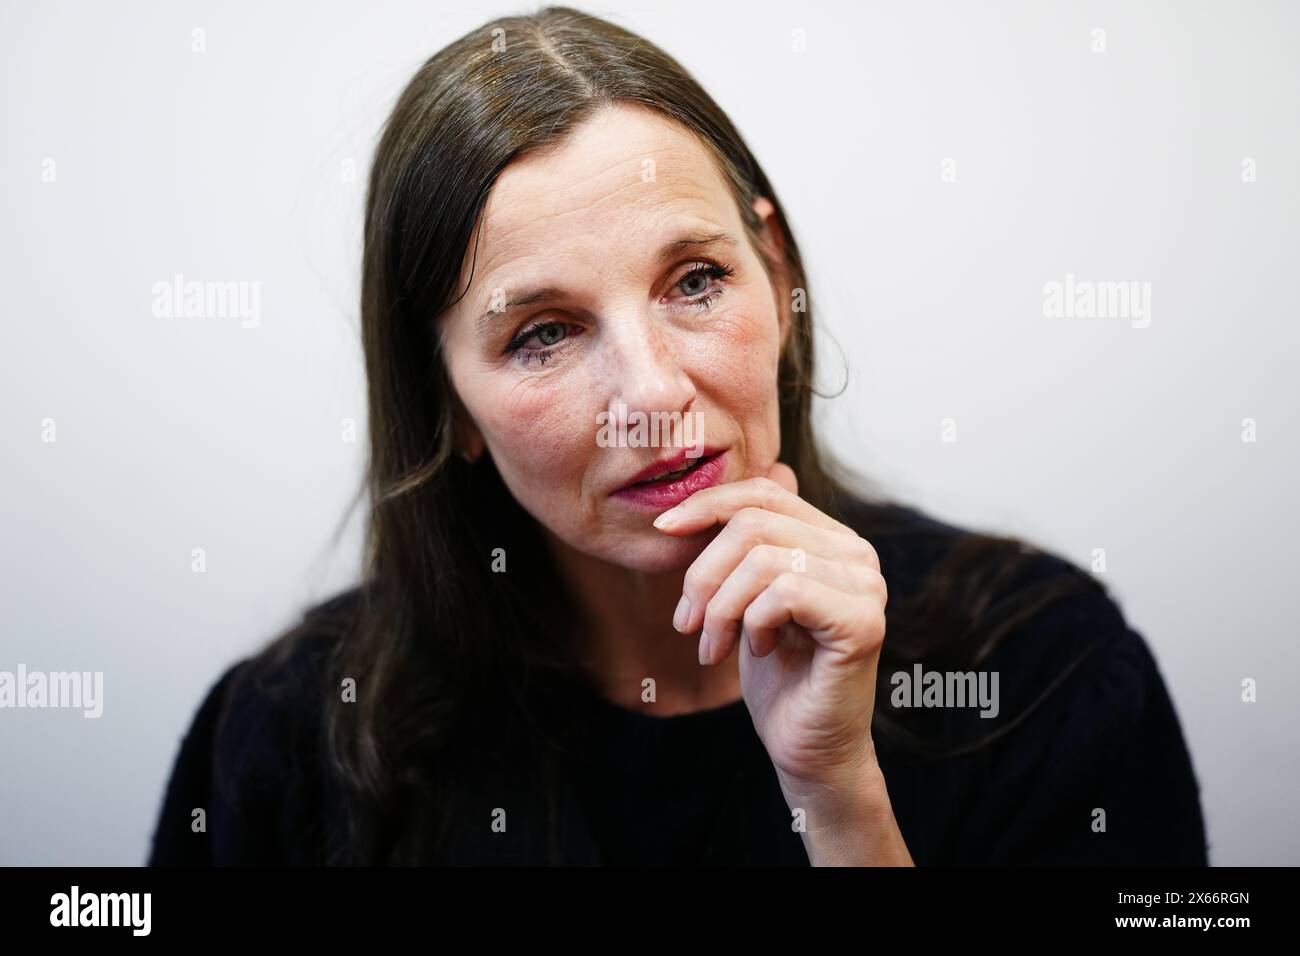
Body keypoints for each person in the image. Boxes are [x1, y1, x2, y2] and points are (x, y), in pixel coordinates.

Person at [148, 6, 1208, 866]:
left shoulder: (1043, 669)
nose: (650, 391)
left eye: (694, 281)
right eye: (543, 333)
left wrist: (837, 799)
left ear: (777, 274)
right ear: (447, 409)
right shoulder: (291, 738)